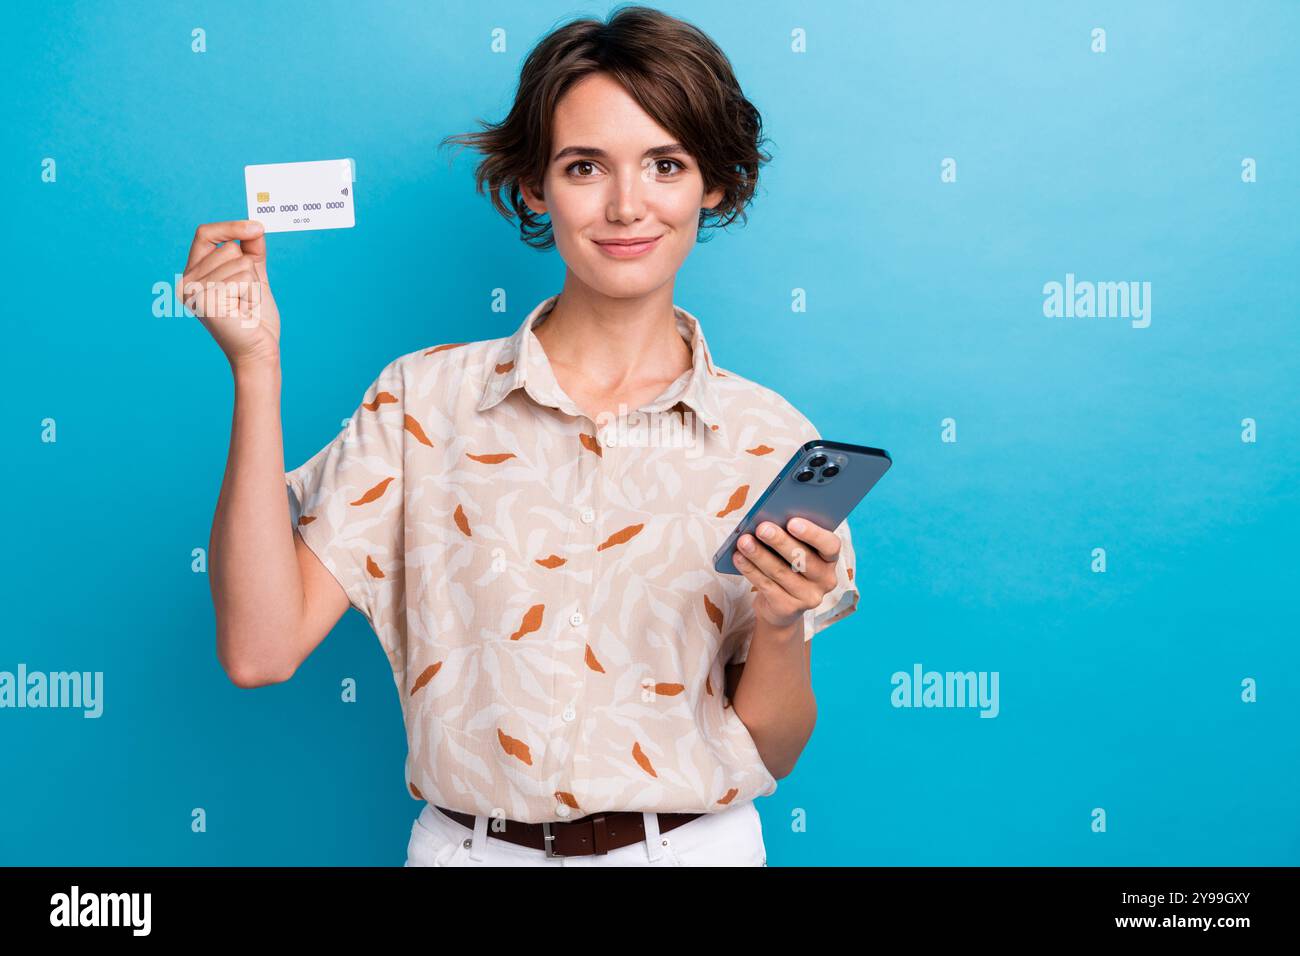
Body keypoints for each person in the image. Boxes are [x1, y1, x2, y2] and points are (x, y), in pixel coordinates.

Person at [187, 4, 860, 867]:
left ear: (713, 183)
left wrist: (777, 624)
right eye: (586, 167)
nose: (626, 205)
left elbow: (774, 748)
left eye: (665, 163)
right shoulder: (421, 403)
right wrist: (257, 369)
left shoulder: (771, 441)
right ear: (536, 185)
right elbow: (259, 650)